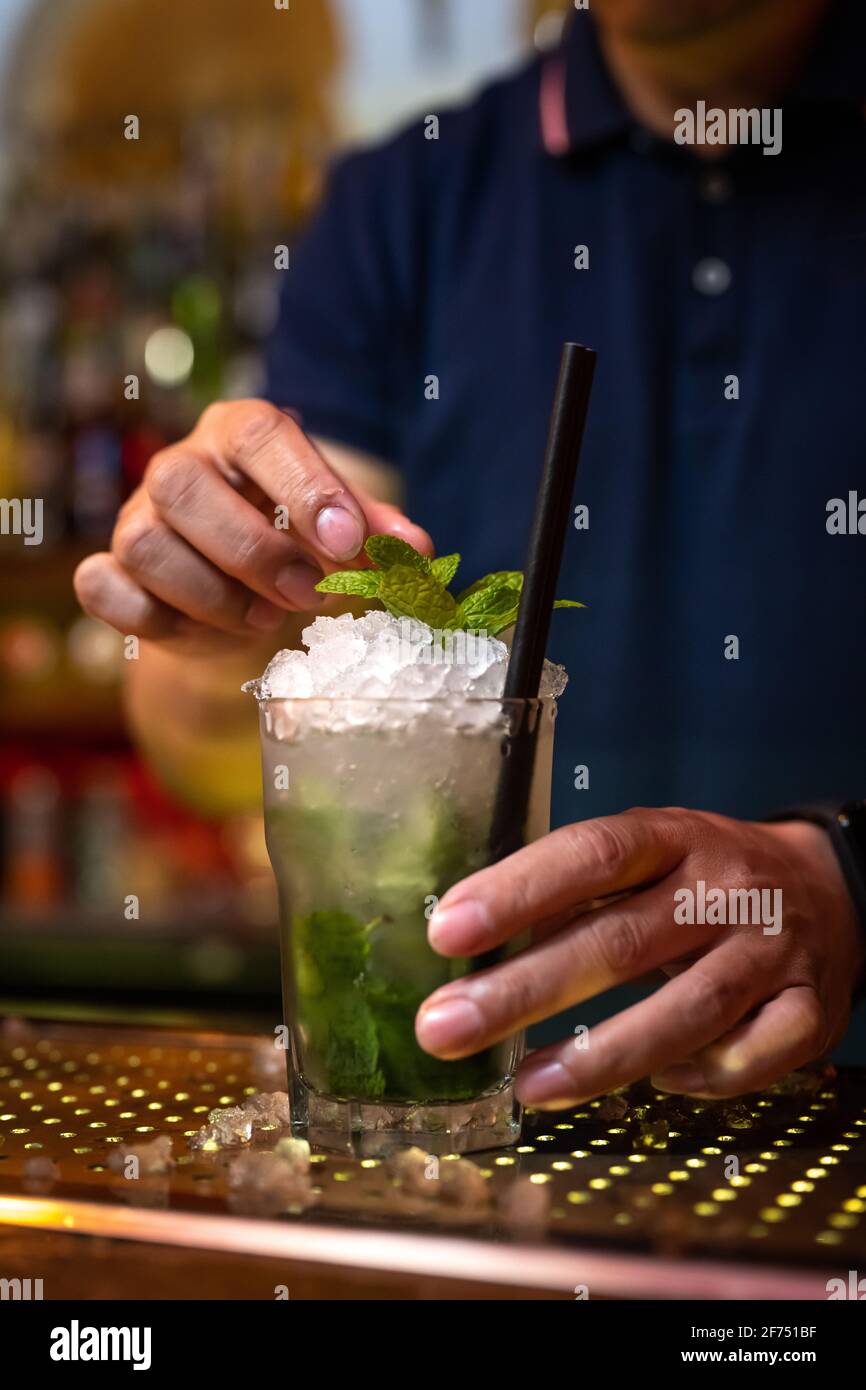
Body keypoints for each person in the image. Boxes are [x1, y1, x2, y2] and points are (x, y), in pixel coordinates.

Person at [74, 0, 866, 1107]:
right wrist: (216, 622)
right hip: (480, 1134)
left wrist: (846, 879)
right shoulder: (404, 202)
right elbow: (199, 741)